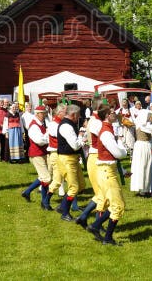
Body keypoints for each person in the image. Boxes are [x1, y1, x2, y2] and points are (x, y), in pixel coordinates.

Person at [87, 106, 128, 246]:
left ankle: (96, 226)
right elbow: (117, 154)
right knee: (117, 206)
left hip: (107, 170)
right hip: (106, 172)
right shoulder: (106, 132)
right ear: (106, 116)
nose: (114, 114)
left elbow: (113, 155)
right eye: (112, 113)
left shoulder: (107, 129)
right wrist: (125, 151)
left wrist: (122, 170)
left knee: (115, 204)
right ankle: (107, 238)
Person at [54, 104, 84, 222]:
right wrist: (81, 137)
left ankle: (62, 206)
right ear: (73, 115)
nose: (79, 117)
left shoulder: (69, 124)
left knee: (81, 185)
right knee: (74, 188)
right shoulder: (66, 126)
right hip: (66, 159)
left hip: (72, 158)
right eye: (78, 115)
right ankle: (65, 213)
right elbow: (75, 145)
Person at [23, 105, 51, 208]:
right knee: (46, 178)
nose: (44, 116)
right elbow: (39, 141)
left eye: (45, 113)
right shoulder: (34, 126)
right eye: (43, 113)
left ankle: (27, 191)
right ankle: (44, 202)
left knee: (43, 177)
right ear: (38, 114)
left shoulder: (40, 124)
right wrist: (48, 138)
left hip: (42, 153)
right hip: (36, 154)